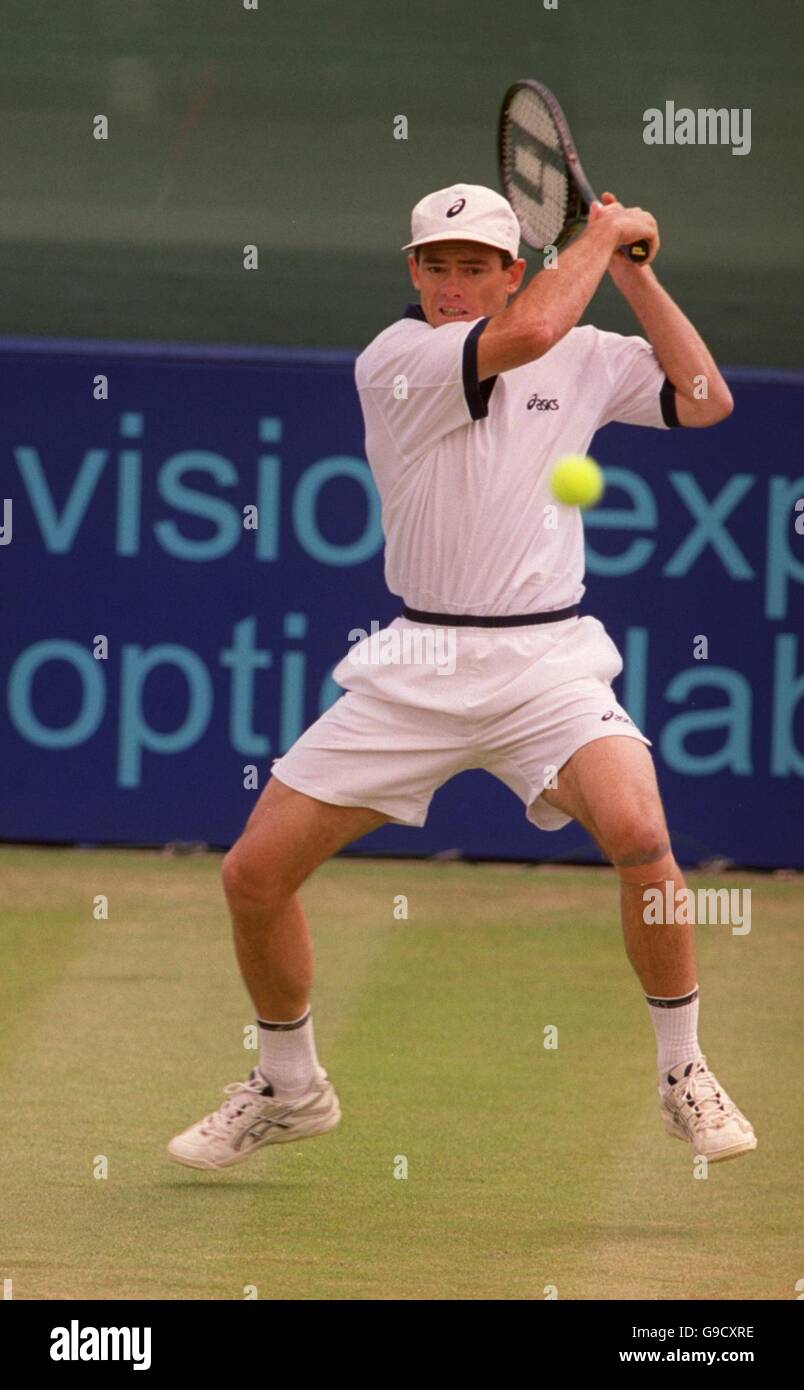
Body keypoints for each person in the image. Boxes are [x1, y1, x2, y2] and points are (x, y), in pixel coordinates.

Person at [168, 182, 756, 1171]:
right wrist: (607, 229)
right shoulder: (399, 358)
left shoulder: (575, 349)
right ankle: (288, 1082)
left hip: (549, 663)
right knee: (254, 874)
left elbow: (706, 401)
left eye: (473, 266)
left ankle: (683, 1071)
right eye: (436, 266)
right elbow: (525, 336)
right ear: (413, 272)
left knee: (643, 834)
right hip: (419, 665)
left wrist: (633, 273)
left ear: (510, 268)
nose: (452, 284)